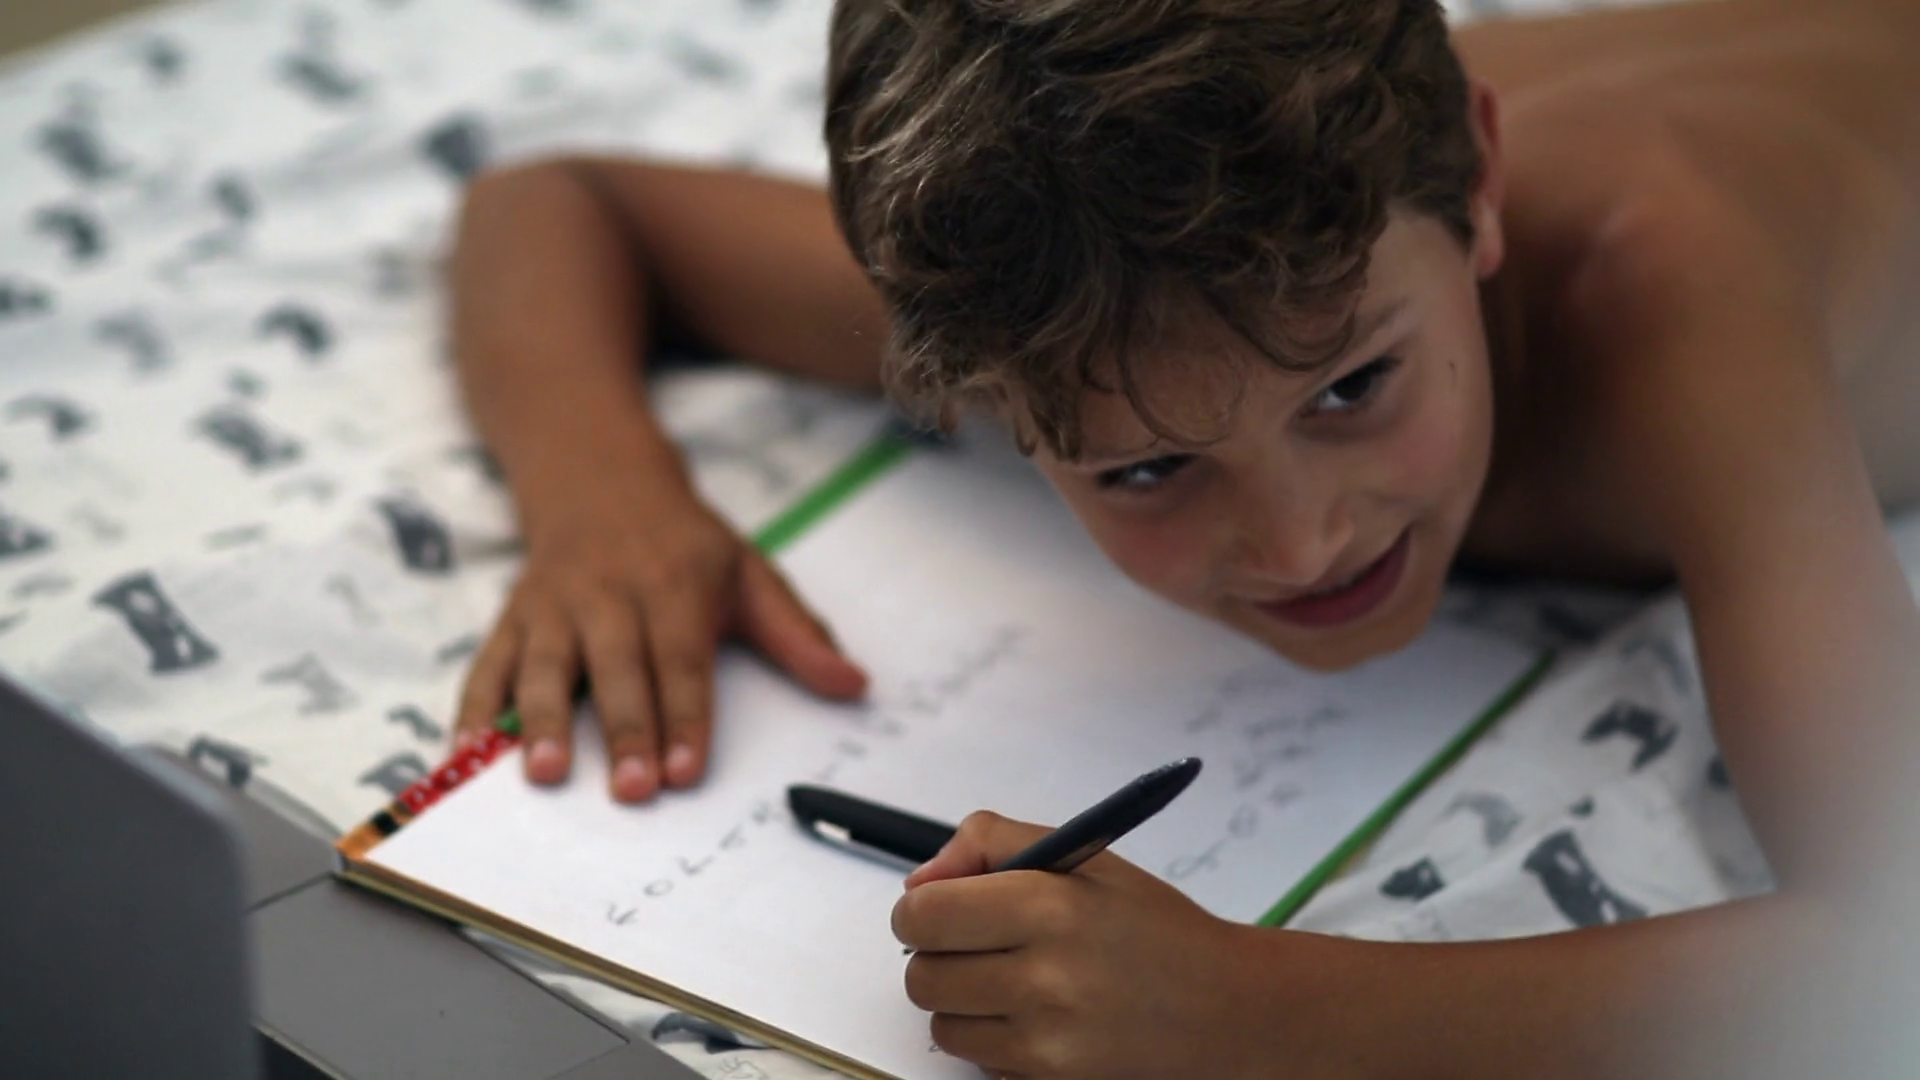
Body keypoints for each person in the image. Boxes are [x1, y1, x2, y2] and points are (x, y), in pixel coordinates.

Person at [445, 0, 1920, 1073]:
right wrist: (608, 503)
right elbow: (558, 202)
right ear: (984, 395)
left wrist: (1253, 1009)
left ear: (1477, 189)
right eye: (1150, 470)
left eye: (1353, 386)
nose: (1301, 540)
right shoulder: (1058, 288)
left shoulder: (1668, 289)